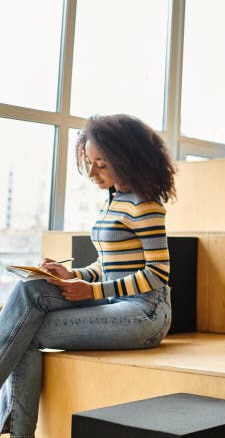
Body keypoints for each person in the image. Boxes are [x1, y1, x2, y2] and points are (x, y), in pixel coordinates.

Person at [0, 114, 175, 437]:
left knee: (26, 332)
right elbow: (106, 263)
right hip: (113, 302)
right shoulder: (115, 199)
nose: (92, 172)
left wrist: (92, 292)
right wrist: (71, 274)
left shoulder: (146, 205)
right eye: (90, 162)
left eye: (101, 164)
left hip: (145, 313)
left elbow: (158, 273)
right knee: (31, 288)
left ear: (125, 160)